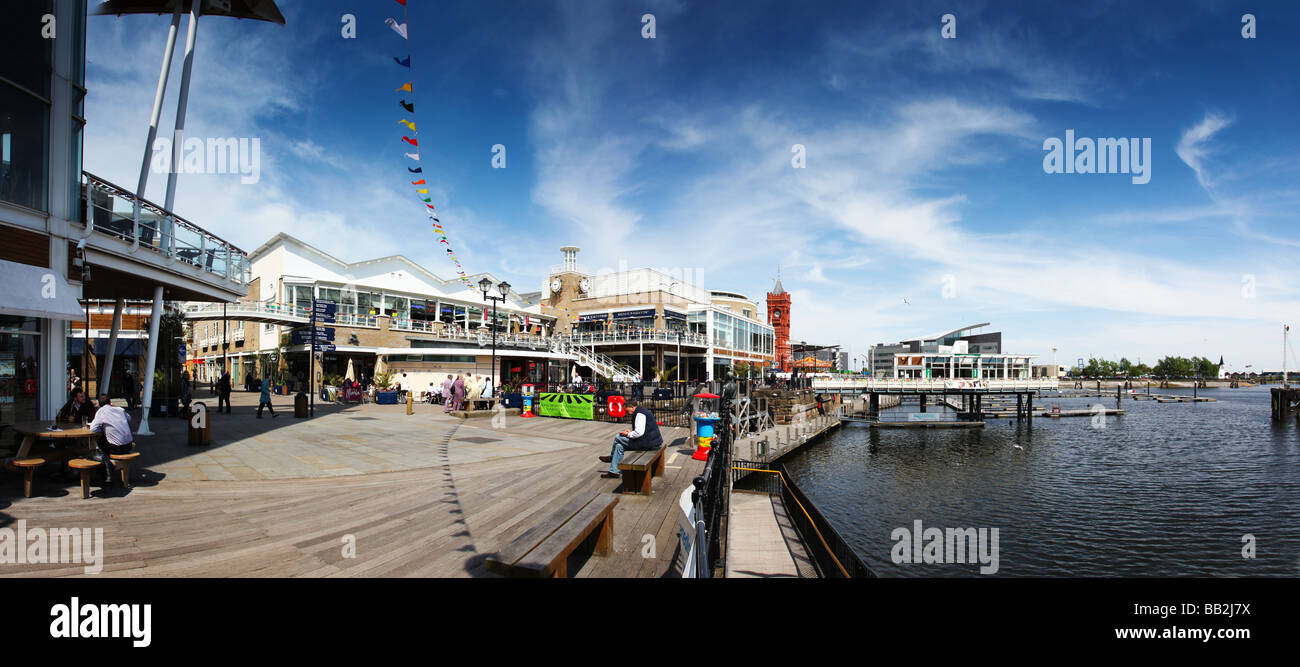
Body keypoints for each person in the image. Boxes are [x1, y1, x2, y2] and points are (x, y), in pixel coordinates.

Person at [598, 398, 662, 479]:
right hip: (651, 440)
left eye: (627, 410)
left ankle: (611, 457)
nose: (627, 413)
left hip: (647, 443)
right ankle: (614, 472)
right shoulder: (642, 410)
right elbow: (641, 430)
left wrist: (628, 434)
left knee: (618, 437)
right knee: (619, 446)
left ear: (632, 407)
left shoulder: (639, 414)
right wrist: (630, 433)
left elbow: (639, 433)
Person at [87, 394, 135, 487]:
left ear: (99, 404)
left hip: (117, 448)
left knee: (100, 442)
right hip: (128, 445)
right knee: (105, 440)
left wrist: (102, 428)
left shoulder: (101, 411)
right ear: (110, 402)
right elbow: (129, 418)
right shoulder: (120, 409)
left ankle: (108, 469)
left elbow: (93, 428)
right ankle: (108, 469)